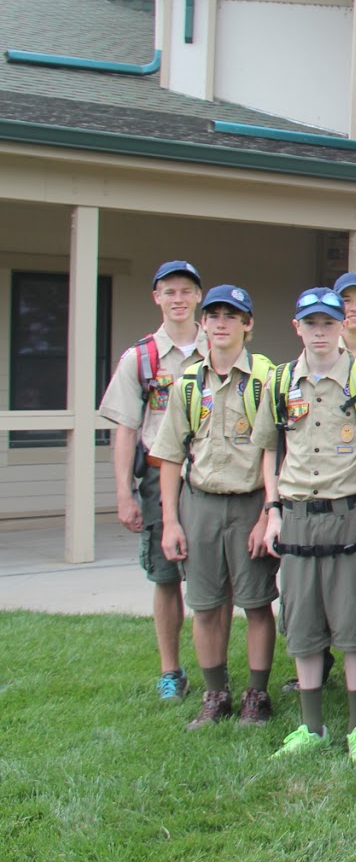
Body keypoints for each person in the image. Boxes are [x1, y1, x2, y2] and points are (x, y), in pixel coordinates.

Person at [258, 288, 356, 762]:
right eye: (310, 323)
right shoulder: (278, 382)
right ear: (297, 326)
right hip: (296, 515)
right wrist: (272, 509)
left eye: (328, 323)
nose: (319, 332)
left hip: (348, 515)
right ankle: (310, 725)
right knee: (302, 618)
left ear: (342, 326)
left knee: (353, 620)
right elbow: (270, 448)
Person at [147, 285, 278, 729]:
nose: (221, 322)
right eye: (214, 315)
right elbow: (169, 455)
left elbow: (272, 452)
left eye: (232, 315)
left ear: (248, 324)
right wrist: (170, 521)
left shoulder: (265, 379)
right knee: (205, 604)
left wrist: (267, 513)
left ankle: (256, 695)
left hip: (250, 503)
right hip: (200, 501)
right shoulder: (188, 383)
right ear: (203, 323)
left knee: (256, 602)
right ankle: (215, 692)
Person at [100, 259, 206, 702]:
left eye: (186, 291)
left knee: (208, 580)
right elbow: (125, 427)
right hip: (158, 477)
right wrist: (123, 492)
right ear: (156, 298)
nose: (178, 299)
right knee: (166, 578)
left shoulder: (220, 345)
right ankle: (171, 671)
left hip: (210, 478)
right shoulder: (139, 358)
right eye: (169, 291)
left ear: (199, 296)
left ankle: (213, 674)